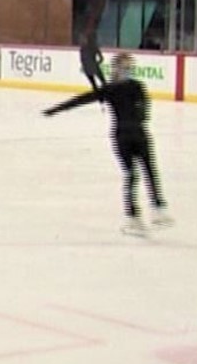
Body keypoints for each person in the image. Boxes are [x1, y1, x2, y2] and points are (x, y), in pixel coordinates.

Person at [43, 53, 172, 234]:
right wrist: (56, 109)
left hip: (136, 134)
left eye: (129, 66)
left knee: (149, 170)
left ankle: (157, 207)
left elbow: (145, 108)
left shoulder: (132, 87)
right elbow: (82, 99)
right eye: (124, 67)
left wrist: (55, 110)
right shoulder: (114, 89)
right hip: (126, 135)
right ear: (116, 69)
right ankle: (133, 216)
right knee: (132, 175)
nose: (127, 70)